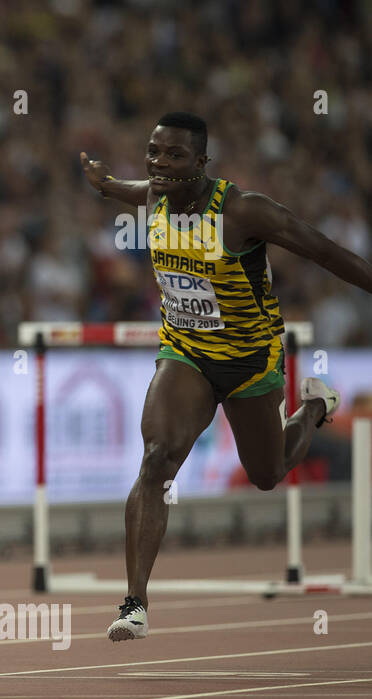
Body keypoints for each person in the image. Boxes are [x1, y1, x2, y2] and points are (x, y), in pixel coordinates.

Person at [81, 111, 369, 641]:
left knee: (267, 473)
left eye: (174, 156)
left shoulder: (243, 210)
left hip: (249, 361)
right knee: (156, 459)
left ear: (201, 162)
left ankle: (314, 408)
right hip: (185, 353)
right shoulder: (153, 195)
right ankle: (134, 603)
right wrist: (106, 185)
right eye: (153, 151)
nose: (160, 164)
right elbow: (135, 187)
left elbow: (324, 250)